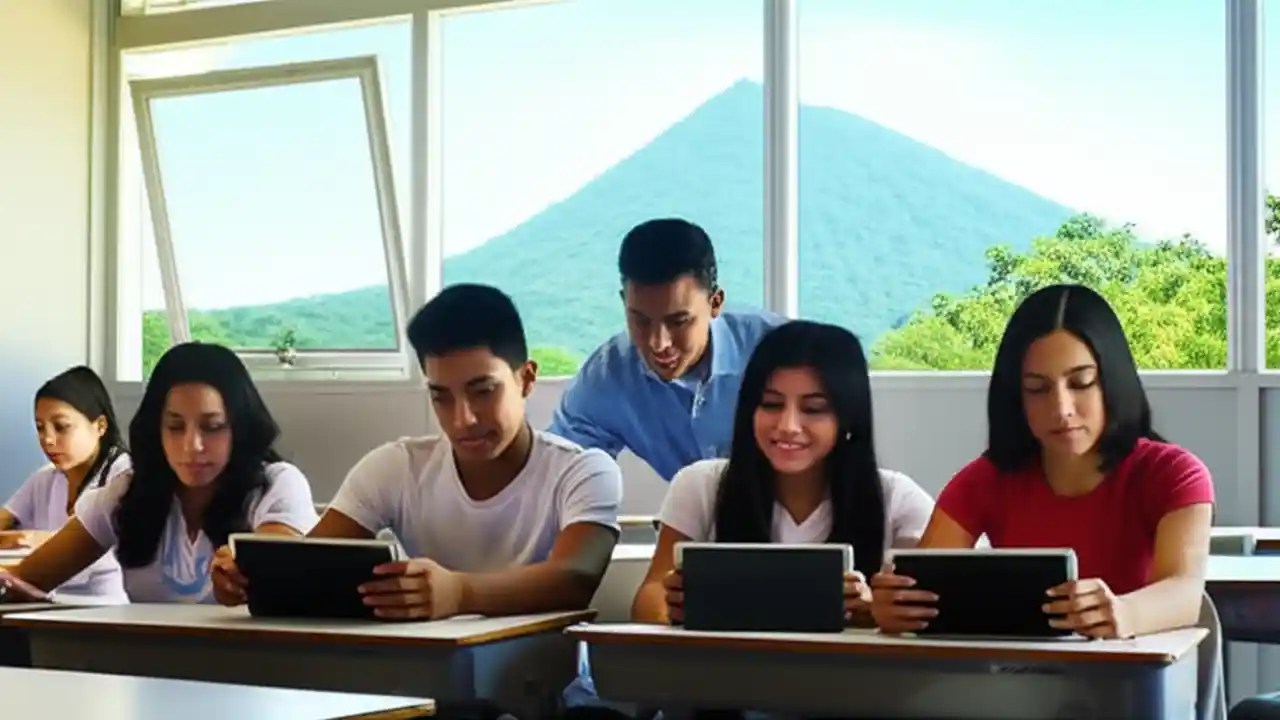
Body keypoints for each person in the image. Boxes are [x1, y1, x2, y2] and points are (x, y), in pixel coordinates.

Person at [211, 284, 623, 620]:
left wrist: (460, 592)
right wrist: (247, 579)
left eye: (483, 392)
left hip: (548, 696)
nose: (463, 419)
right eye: (441, 397)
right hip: (426, 687)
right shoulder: (397, 467)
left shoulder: (583, 471)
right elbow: (307, 567)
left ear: (526, 379)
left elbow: (576, 577)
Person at [871, 284, 1214, 639]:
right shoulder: (987, 479)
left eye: (1081, 383)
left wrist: (1124, 612)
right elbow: (919, 584)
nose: (1061, 409)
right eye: (1037, 389)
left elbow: (1184, 594)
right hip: (1021, 679)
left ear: (1112, 382)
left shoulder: (1174, 474)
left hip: (1140, 678)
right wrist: (895, 607)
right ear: (1015, 398)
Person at [631, 320, 934, 626]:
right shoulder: (701, 485)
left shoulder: (896, 499)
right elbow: (649, 596)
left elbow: (939, 604)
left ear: (848, 418)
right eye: (772, 404)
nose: (788, 426)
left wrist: (876, 613)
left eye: (814, 409)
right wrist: (669, 609)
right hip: (726, 670)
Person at [0, 343, 318, 604]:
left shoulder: (278, 484)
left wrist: (239, 575)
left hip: (250, 674)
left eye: (213, 427)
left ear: (240, 428)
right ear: (156, 428)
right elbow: (23, 580)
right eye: (175, 426)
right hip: (142, 674)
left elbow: (272, 565)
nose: (192, 446)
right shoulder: (125, 492)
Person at [548, 218, 785, 482]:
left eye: (678, 322)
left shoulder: (783, 351)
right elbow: (560, 471)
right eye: (641, 320)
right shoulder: (607, 377)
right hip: (695, 519)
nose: (658, 343)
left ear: (715, 303)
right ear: (624, 301)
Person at [0, 366, 129, 602]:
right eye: (40, 427)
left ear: (100, 426)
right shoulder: (46, 478)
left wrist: (37, 540)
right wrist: (14, 538)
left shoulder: (123, 479)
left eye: (61, 427)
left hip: (105, 611)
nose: (48, 440)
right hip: (43, 605)